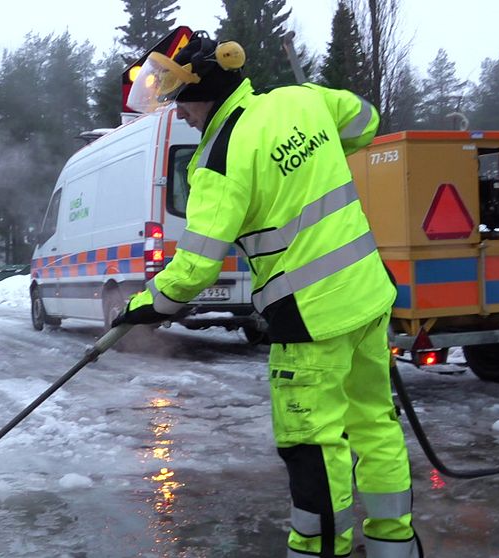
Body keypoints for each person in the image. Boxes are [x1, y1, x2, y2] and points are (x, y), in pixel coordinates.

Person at [118, 31, 421, 558]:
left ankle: (317, 549)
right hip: (369, 296)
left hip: (310, 317)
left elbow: (196, 265)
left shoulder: (218, 159)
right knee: (374, 421)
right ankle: (395, 544)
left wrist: (150, 303)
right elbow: (366, 122)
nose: (180, 114)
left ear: (205, 90)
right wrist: (312, 149)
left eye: (181, 101)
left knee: (312, 441)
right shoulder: (301, 100)